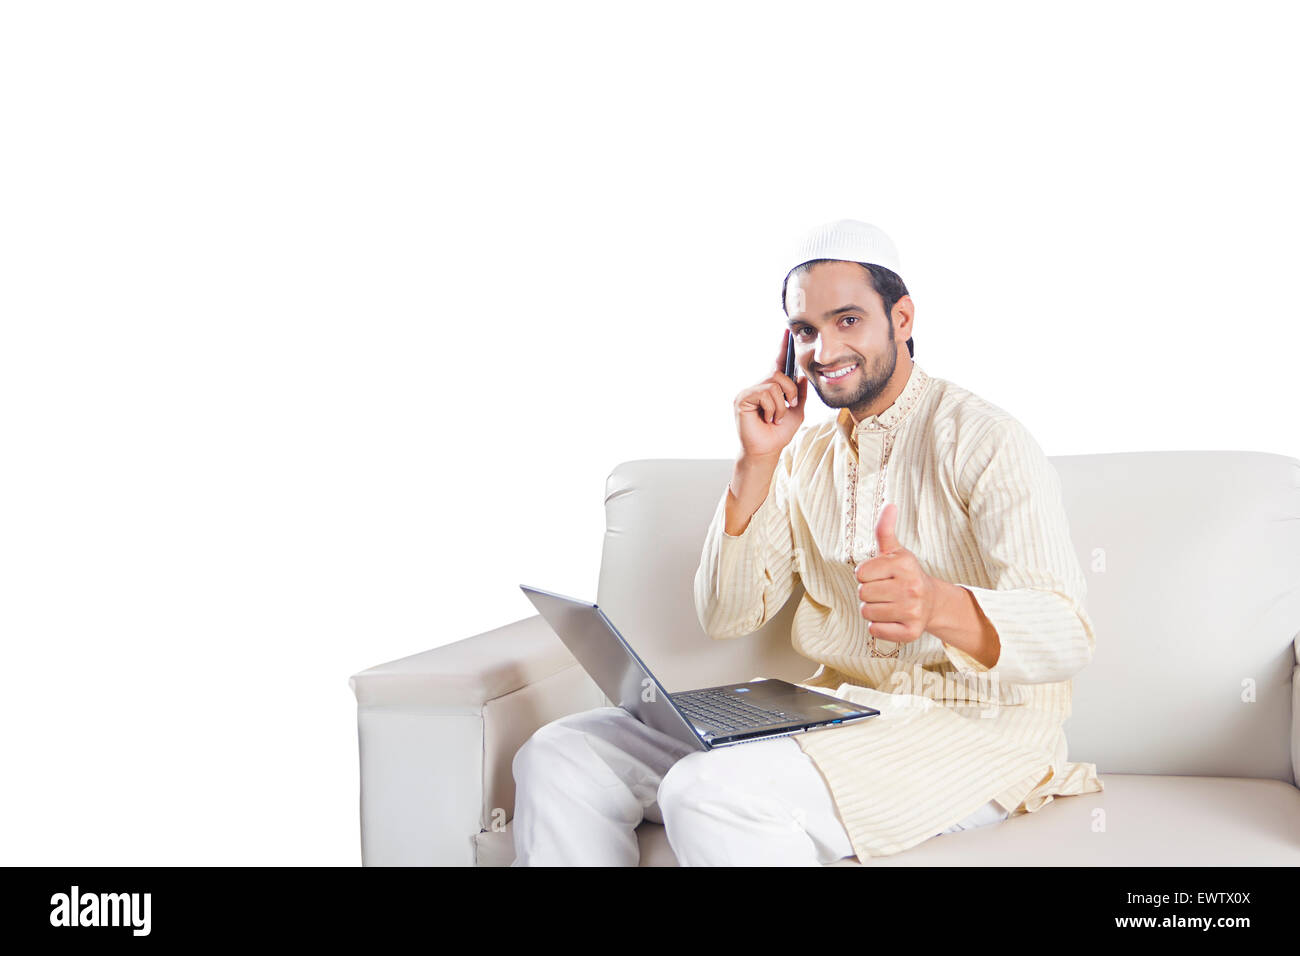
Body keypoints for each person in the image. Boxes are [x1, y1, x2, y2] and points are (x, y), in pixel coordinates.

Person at [511, 219, 1102, 866]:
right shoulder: (806, 455)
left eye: (848, 320)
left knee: (706, 793)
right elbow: (726, 614)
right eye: (806, 330)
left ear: (901, 317)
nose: (824, 349)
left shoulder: (985, 439)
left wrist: (938, 605)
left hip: (976, 732)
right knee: (563, 754)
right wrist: (756, 463)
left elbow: (1067, 632)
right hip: (837, 715)